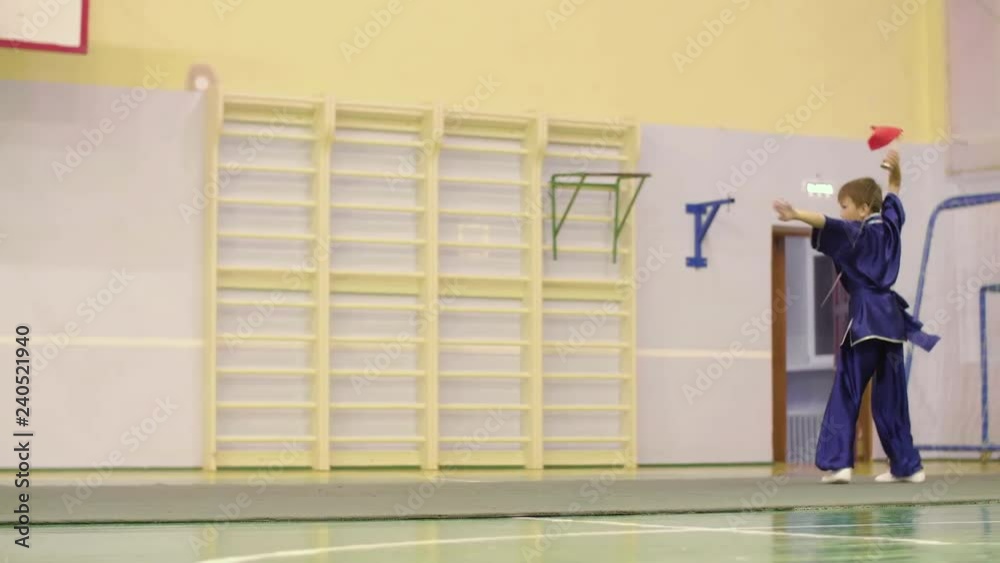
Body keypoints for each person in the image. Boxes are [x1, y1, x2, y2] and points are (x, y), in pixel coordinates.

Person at [773, 150, 938, 484]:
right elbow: (893, 193)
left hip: (865, 320)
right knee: (891, 396)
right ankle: (907, 466)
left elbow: (824, 222)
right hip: (892, 323)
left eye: (845, 206)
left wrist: (795, 214)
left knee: (848, 388)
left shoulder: (856, 232)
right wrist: (895, 171)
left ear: (863, 209)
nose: (842, 213)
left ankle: (839, 463)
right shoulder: (891, 227)